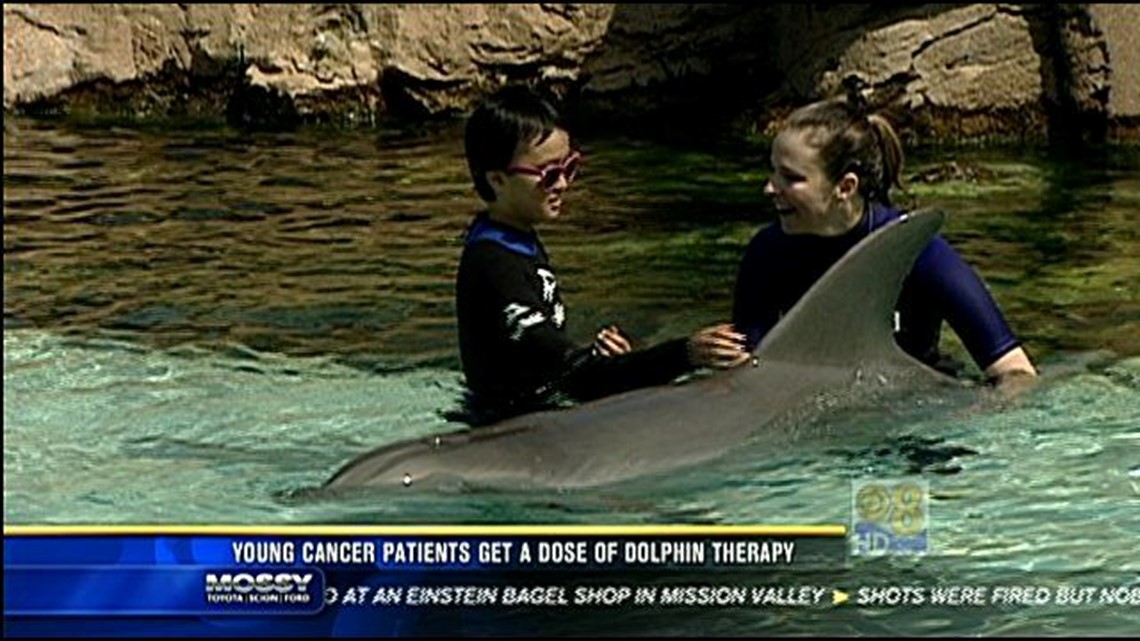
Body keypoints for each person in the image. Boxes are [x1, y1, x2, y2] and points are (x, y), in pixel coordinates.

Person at [455, 85, 747, 424]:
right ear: (497, 180)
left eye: (569, 167)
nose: (563, 184)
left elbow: (544, 363)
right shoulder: (495, 266)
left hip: (535, 414)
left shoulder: (513, 237)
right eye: (549, 175)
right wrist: (686, 354)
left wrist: (594, 356)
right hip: (512, 432)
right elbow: (569, 374)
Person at [732, 94, 1037, 386]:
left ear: (845, 187)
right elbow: (749, 371)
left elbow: (1016, 372)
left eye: (791, 178)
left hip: (918, 404)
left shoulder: (914, 250)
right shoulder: (768, 251)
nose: (769, 188)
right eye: (773, 172)